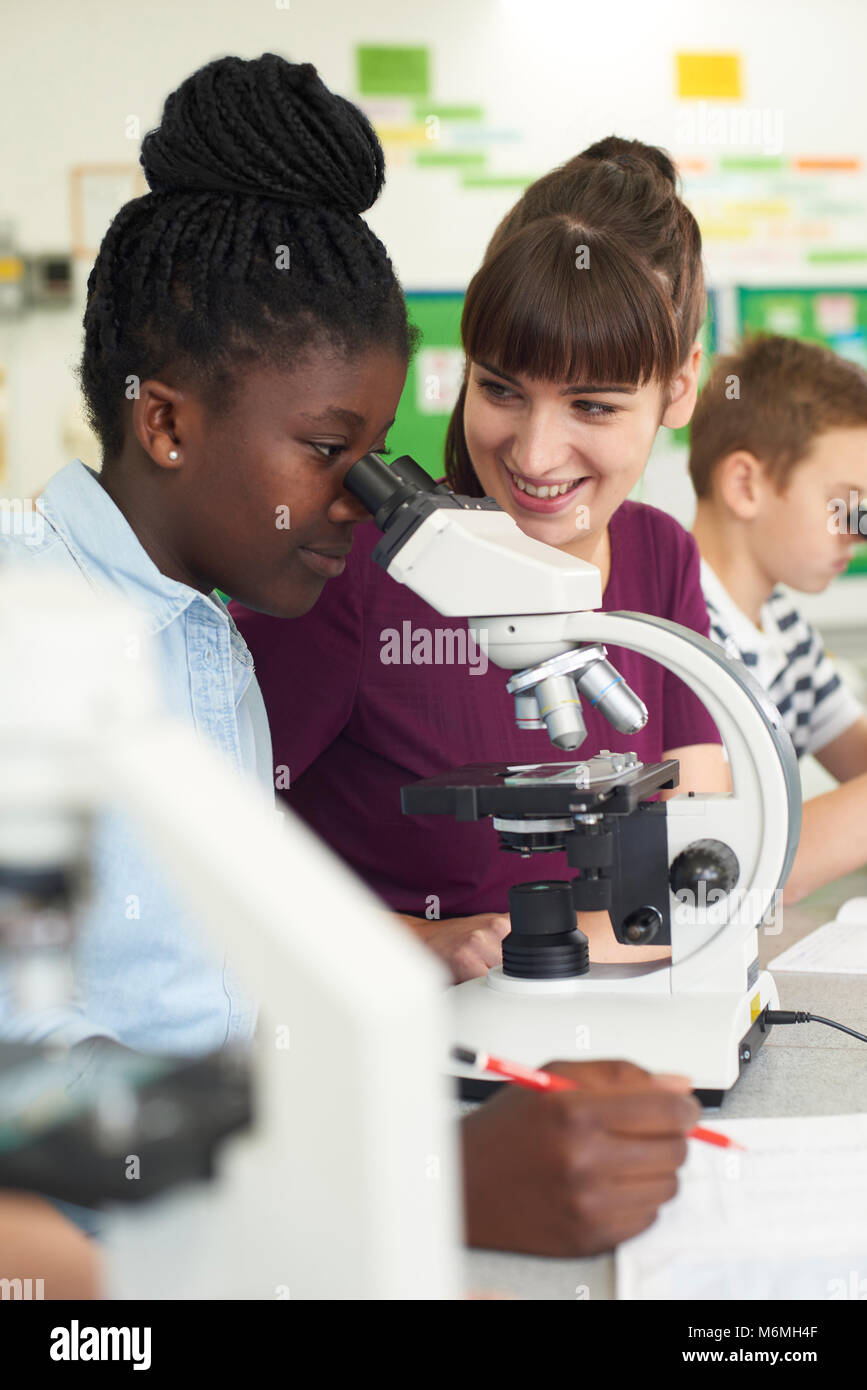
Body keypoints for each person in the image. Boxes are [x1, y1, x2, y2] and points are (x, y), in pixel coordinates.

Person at [0, 57, 698, 1262]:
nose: (367, 505)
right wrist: (422, 1185)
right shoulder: (31, 625)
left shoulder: (205, 638)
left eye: (380, 452)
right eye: (331, 450)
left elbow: (209, 1025)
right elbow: (26, 1094)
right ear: (164, 421)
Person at [232, 137, 730, 973]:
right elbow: (198, 839)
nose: (535, 456)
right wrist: (414, 938)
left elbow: (689, 865)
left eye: (592, 406)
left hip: (598, 1039)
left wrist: (559, 957)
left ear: (678, 388)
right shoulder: (351, 567)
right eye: (500, 388)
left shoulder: (659, 555)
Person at [690, 334, 867, 902]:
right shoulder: (682, 632)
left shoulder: (781, 624)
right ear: (746, 485)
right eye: (846, 504)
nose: (860, 532)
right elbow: (725, 873)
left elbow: (856, 756)